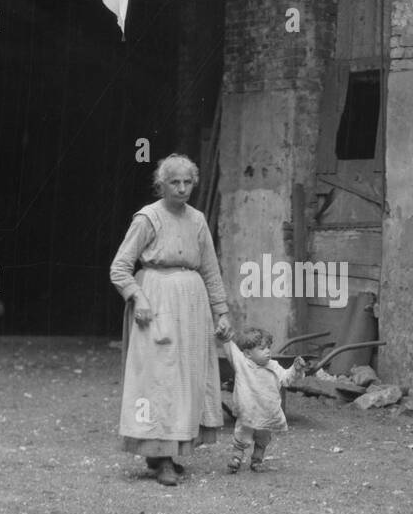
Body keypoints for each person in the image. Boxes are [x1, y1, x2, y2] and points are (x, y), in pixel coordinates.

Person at [109, 155, 231, 486]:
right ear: (161, 185)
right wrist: (138, 296)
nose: (181, 189)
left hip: (192, 306)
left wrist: (221, 311)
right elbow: (120, 267)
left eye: (187, 182)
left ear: (194, 183)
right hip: (157, 301)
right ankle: (159, 457)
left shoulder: (197, 220)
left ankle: (170, 451)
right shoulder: (148, 218)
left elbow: (210, 268)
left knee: (184, 378)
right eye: (174, 182)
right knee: (159, 378)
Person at [222, 327, 305, 473]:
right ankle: (236, 458)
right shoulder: (243, 364)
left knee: (263, 438)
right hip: (247, 411)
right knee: (242, 435)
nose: (267, 351)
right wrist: (226, 338)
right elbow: (232, 351)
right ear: (248, 353)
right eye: (262, 349)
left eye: (268, 347)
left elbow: (287, 379)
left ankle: (257, 460)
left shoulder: (274, 367)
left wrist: (295, 369)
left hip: (267, 413)